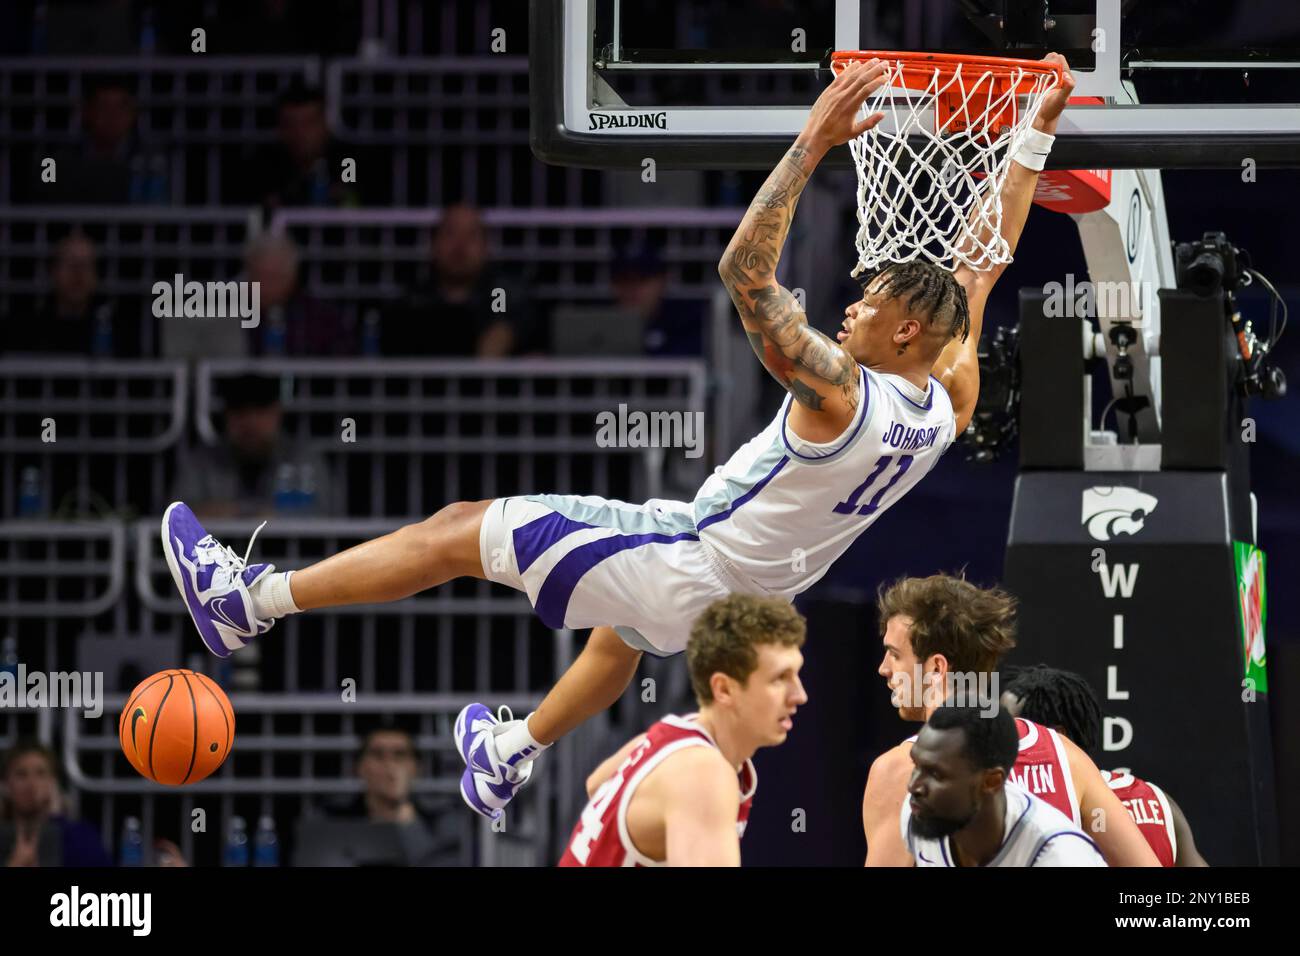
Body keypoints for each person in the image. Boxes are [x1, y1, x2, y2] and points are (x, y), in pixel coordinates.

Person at [160, 55, 1077, 821]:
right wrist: (1031, 132)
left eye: (869, 303)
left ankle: (251, 599)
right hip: (757, 589)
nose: (849, 306)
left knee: (458, 528)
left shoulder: (841, 395)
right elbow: (984, 254)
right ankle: (511, 750)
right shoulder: (948, 399)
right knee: (621, 635)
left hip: (697, 559)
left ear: (905, 333)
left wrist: (813, 141)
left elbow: (744, 273)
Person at [862, 573, 1160, 866]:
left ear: (937, 667)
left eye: (894, 654)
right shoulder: (1065, 754)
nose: (883, 668)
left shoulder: (899, 770)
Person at [555, 594, 806, 866]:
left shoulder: (672, 736)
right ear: (723, 689)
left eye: (797, 674)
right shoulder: (703, 772)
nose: (799, 695)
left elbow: (597, 785)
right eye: (780, 679)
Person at [1001, 663, 1208, 867]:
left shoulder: (1036, 812)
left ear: (1056, 735)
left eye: (1012, 727)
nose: (997, 735)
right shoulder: (1158, 802)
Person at [903, 705, 1106, 867]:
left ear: (992, 782)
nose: (914, 786)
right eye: (916, 765)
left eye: (936, 774)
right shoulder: (919, 812)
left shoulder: (1060, 856)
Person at [379, 204, 540, 358]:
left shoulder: (506, 297)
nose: (460, 245)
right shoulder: (410, 303)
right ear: (433, 245)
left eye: (472, 235)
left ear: (486, 247)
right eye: (450, 233)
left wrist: (507, 332)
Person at [171, 373, 335, 519]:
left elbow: (329, 513)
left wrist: (271, 516)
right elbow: (173, 517)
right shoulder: (201, 461)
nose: (250, 422)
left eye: (260, 411)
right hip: (217, 552)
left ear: (277, 413)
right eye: (240, 412)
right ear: (226, 416)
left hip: (290, 553)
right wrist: (236, 513)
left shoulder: (304, 457)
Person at [1, 739, 112, 867]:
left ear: (52, 782)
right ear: (6, 784)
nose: (31, 785)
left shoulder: (79, 837)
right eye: (21, 775)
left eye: (41, 774)